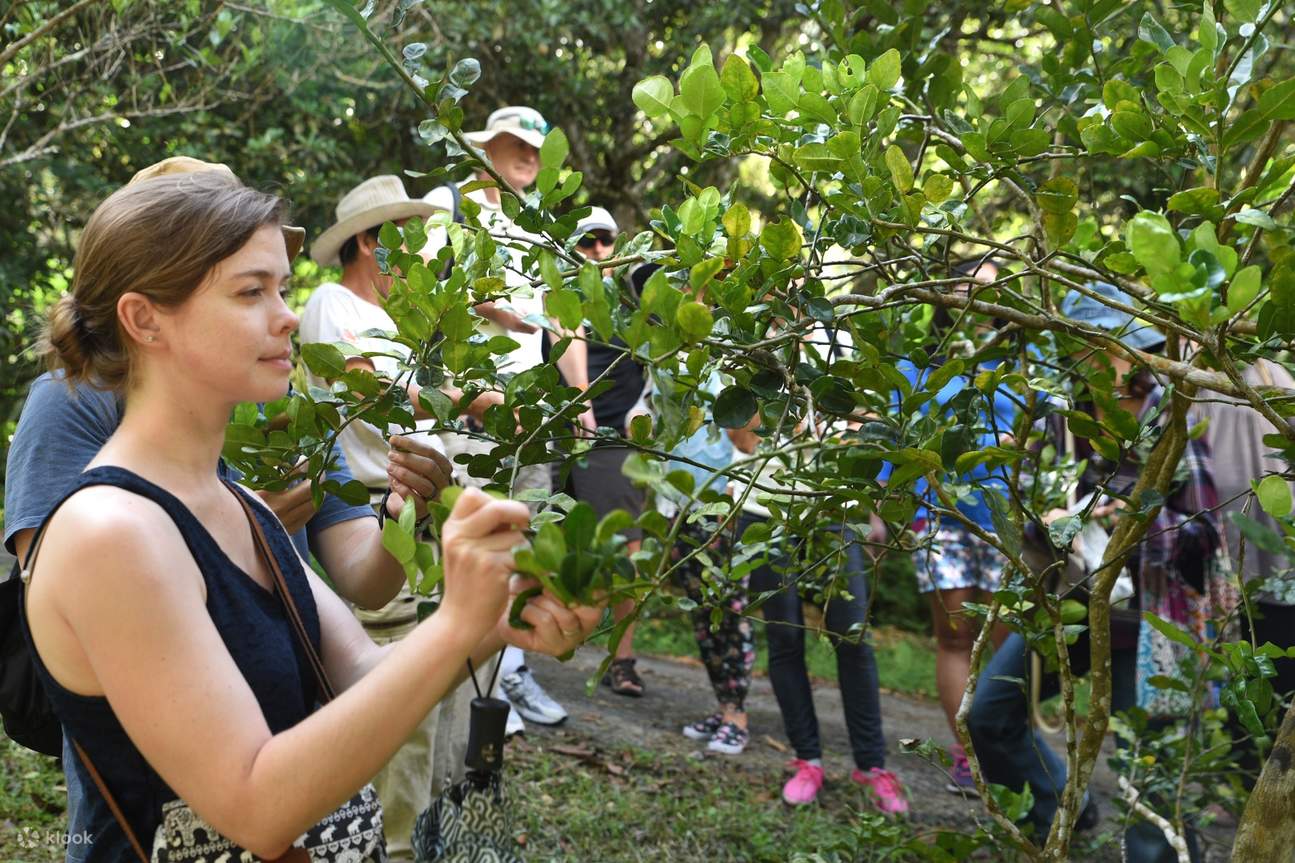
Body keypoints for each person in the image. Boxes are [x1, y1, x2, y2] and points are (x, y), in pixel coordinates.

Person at [17, 169, 599, 860]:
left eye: (283, 289)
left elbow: (359, 671)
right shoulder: (108, 532)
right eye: (250, 291)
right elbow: (255, 806)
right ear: (144, 319)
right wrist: (452, 627)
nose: (288, 314)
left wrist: (490, 618)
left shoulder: (233, 502)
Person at [967, 283, 1230, 859]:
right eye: (1085, 346)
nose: (1095, 358)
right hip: (1075, 602)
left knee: (1149, 772)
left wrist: (1134, 527)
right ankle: (1062, 802)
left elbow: (1206, 532)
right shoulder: (1060, 414)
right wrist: (1052, 519)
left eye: (1107, 345)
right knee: (989, 712)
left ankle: (1162, 851)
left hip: (1152, 619)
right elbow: (1030, 509)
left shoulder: (1171, 410)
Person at [302, 173, 514, 860]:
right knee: (391, 707)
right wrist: (467, 396)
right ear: (369, 241)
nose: (425, 253)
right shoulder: (332, 303)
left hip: (412, 526)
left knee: (421, 706)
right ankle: (389, 845)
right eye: (410, 239)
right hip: (360, 526)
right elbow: (364, 384)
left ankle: (407, 838)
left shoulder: (399, 320)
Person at [425, 107, 585, 731]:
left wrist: (576, 392)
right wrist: (509, 311)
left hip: (529, 400)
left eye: (536, 147)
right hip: (470, 393)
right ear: (487, 147)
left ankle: (508, 672)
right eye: (515, 144)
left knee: (526, 528)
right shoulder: (452, 204)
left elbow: (564, 316)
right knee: (471, 523)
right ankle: (464, 672)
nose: (527, 155)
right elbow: (429, 285)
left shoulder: (535, 224)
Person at [729, 322, 908, 813]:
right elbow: (744, 442)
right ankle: (807, 759)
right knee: (785, 640)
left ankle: (872, 765)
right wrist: (770, 373)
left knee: (852, 636)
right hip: (768, 511)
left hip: (834, 512)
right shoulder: (746, 345)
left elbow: (867, 430)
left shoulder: (842, 342)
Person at [897, 259, 1015, 794]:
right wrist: (891, 511)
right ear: (945, 299)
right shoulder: (919, 368)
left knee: (1012, 642)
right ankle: (968, 755)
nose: (978, 301)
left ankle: (1011, 751)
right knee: (955, 637)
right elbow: (897, 441)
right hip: (940, 516)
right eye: (967, 289)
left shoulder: (1023, 365)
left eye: (991, 292)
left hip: (1009, 520)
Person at [625, 262, 749, 749]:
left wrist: (737, 484)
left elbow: (746, 431)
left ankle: (737, 717)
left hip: (718, 500)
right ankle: (722, 707)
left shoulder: (726, 347)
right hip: (676, 501)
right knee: (702, 610)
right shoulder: (664, 355)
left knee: (729, 609)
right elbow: (647, 408)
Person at [546, 207, 649, 696]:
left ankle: (622, 659)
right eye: (587, 242)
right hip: (555, 440)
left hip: (610, 438)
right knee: (547, 547)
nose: (597, 251)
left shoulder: (633, 301)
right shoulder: (558, 298)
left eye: (605, 241)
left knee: (625, 551)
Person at [1196, 359, 1295, 694]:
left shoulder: (1271, 373)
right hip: (1226, 536)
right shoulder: (1196, 374)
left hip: (1268, 534)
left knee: (1270, 644)